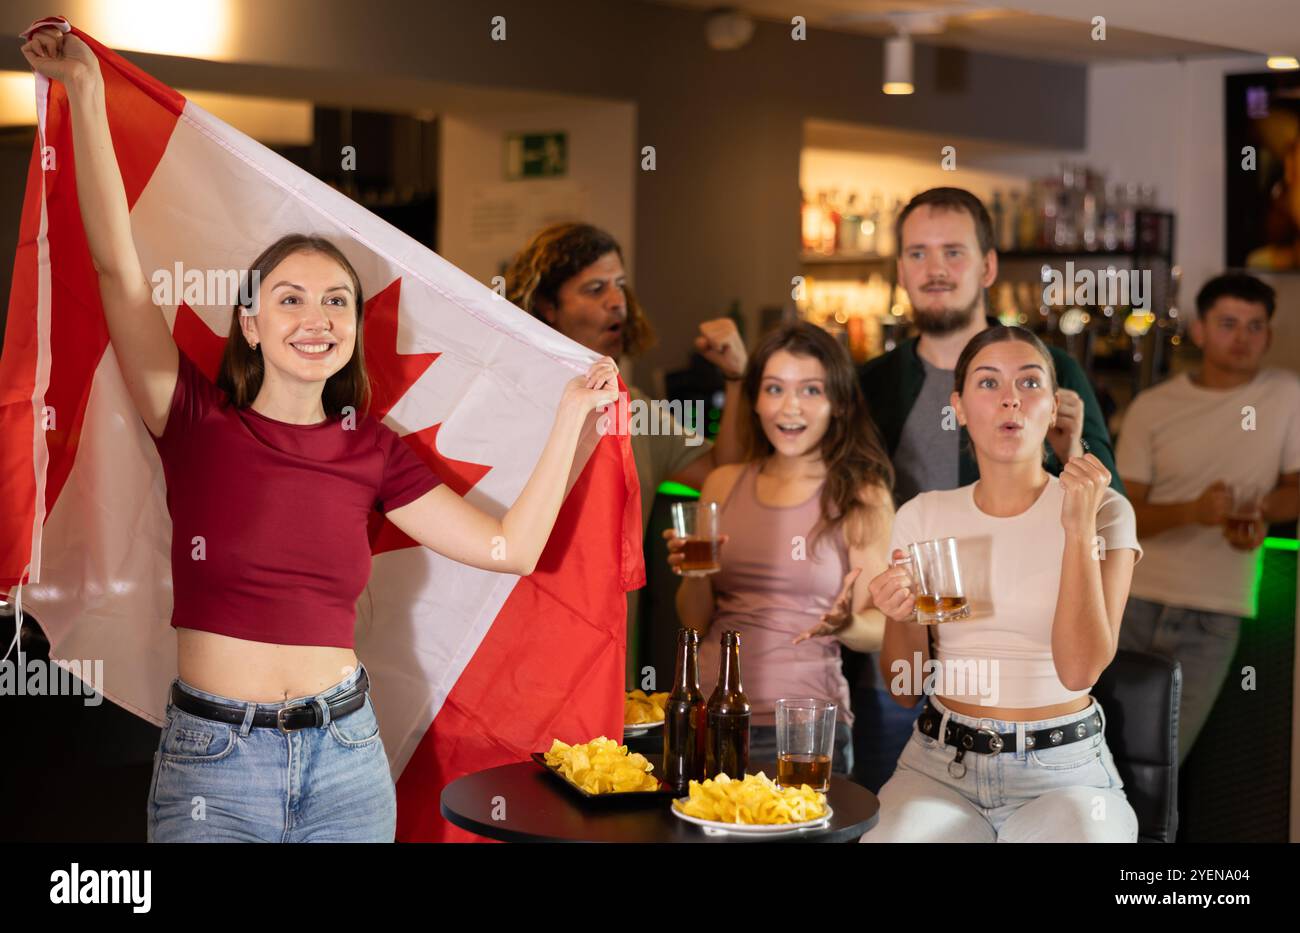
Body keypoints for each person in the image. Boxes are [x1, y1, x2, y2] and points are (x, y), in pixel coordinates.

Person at [24, 27, 620, 843]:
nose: (318, 318)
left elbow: (510, 548)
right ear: (250, 323)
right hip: (214, 760)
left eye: (337, 301)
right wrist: (88, 95)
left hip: (345, 756)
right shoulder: (193, 418)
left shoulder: (372, 449)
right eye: (291, 299)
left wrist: (570, 418)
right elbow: (117, 273)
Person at [849, 186, 1123, 792]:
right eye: (918, 254)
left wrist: (1069, 447)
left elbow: (1102, 497)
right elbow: (842, 495)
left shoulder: (1052, 369)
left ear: (988, 266)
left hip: (1031, 668)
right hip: (907, 651)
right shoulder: (872, 383)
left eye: (953, 251)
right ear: (901, 271)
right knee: (892, 809)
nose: (935, 269)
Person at [861, 325, 1141, 842]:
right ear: (959, 407)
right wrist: (900, 615)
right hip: (939, 766)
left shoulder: (1105, 511)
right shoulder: (923, 515)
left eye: (1029, 382)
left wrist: (1076, 529)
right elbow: (904, 690)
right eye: (988, 382)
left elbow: (1080, 671)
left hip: (1065, 774)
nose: (1010, 398)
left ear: (1054, 408)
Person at [505, 223, 747, 685]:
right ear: (547, 307)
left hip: (608, 663)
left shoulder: (635, 409)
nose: (618, 302)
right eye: (595, 289)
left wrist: (737, 376)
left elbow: (724, 474)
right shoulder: (511, 404)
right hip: (520, 656)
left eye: (619, 285)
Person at [665, 322, 895, 775]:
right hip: (709, 716)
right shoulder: (723, 483)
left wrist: (846, 624)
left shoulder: (861, 494)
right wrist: (694, 574)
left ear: (839, 403)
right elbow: (694, 621)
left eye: (811, 390)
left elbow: (882, 627)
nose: (790, 407)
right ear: (755, 399)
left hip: (803, 727)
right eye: (775, 388)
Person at [1115, 273, 1300, 764]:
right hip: (1131, 601)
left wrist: (1261, 510)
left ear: (1269, 335)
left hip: (1215, 608)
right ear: (1199, 331)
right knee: (1103, 757)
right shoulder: (1152, 407)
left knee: (1162, 766)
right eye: (1228, 323)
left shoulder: (1287, 395)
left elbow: (1296, 490)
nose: (1242, 338)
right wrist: (1193, 512)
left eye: (1255, 326)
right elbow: (1119, 517)